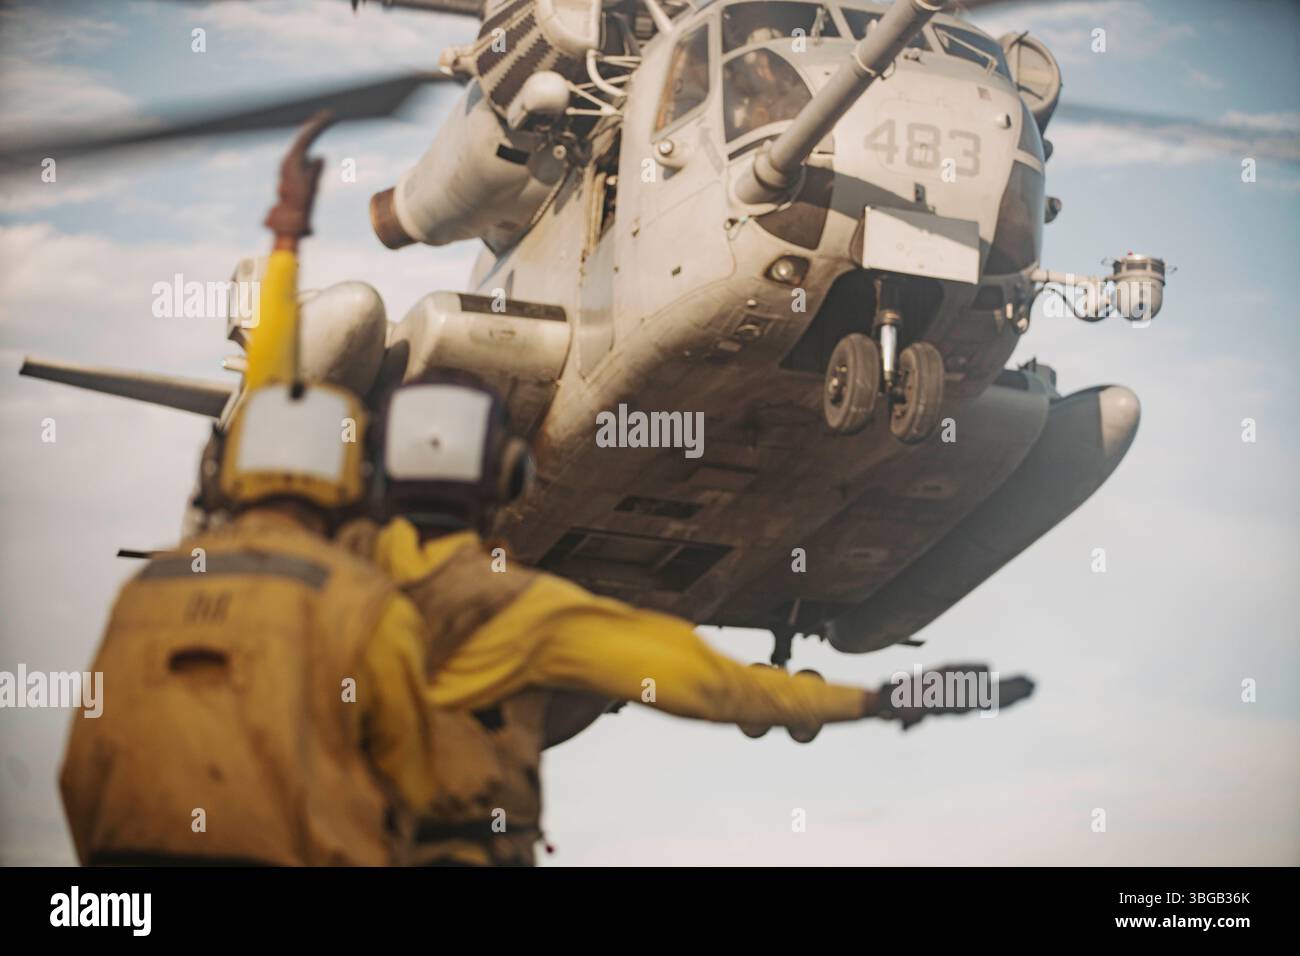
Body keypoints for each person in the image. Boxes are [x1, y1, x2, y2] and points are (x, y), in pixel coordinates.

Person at [341, 373, 1002, 866]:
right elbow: (714, 686)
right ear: (508, 477)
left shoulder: (315, 585)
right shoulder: (525, 609)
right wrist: (881, 700)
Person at [59, 114, 445, 866]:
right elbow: (415, 777)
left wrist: (287, 229)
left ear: (220, 470)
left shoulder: (145, 596)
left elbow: (80, 776)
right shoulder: (362, 606)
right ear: (350, 486)